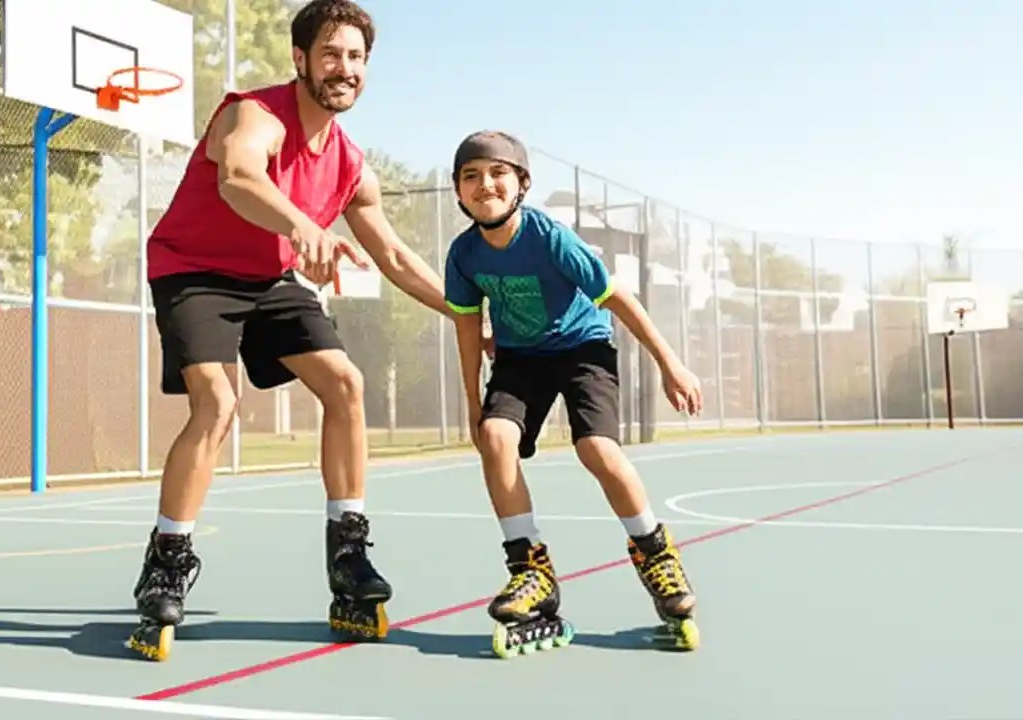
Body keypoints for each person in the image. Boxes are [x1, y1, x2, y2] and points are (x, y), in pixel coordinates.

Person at [127, 0, 449, 661]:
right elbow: (239, 177)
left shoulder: (353, 164)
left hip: (270, 280)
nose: (345, 68)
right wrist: (303, 225)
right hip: (195, 271)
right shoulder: (255, 114)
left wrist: (468, 313)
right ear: (300, 59)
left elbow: (392, 256)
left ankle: (348, 552)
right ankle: (167, 558)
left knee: (346, 384)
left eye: (356, 58)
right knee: (217, 403)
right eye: (331, 54)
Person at [443, 130, 706, 656]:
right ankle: (529, 568)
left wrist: (670, 364)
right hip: (520, 359)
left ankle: (656, 554)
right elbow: (468, 332)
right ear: (458, 191)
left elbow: (617, 298)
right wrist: (474, 407)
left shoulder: (550, 238)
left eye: (497, 173)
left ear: (521, 184)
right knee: (496, 437)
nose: (484, 184)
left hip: (583, 348)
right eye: (471, 176)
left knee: (597, 449)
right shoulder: (464, 256)